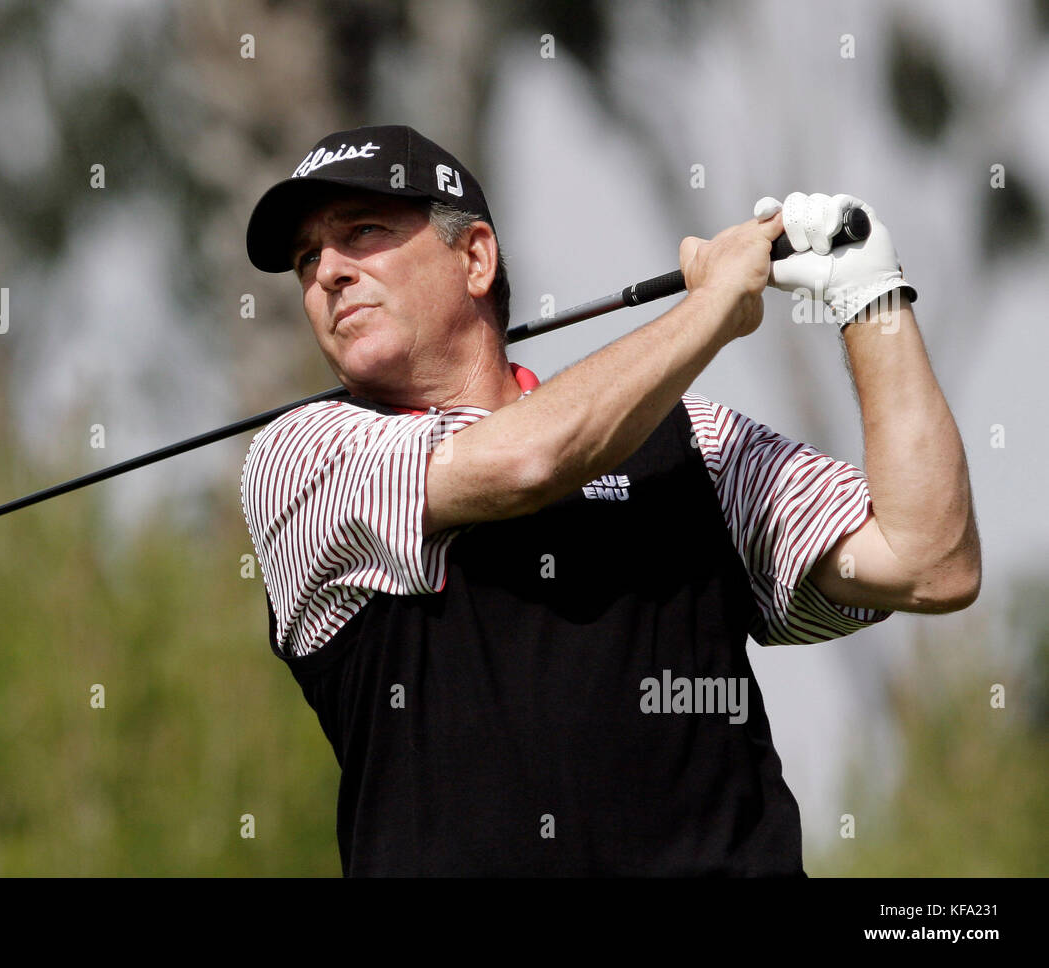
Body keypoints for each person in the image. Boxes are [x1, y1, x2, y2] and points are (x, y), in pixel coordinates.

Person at [239, 124, 981, 876]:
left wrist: (871, 297)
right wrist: (713, 307)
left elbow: (930, 561)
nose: (327, 271)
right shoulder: (302, 457)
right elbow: (529, 459)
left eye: (362, 232)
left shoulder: (694, 442)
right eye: (307, 258)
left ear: (474, 258)